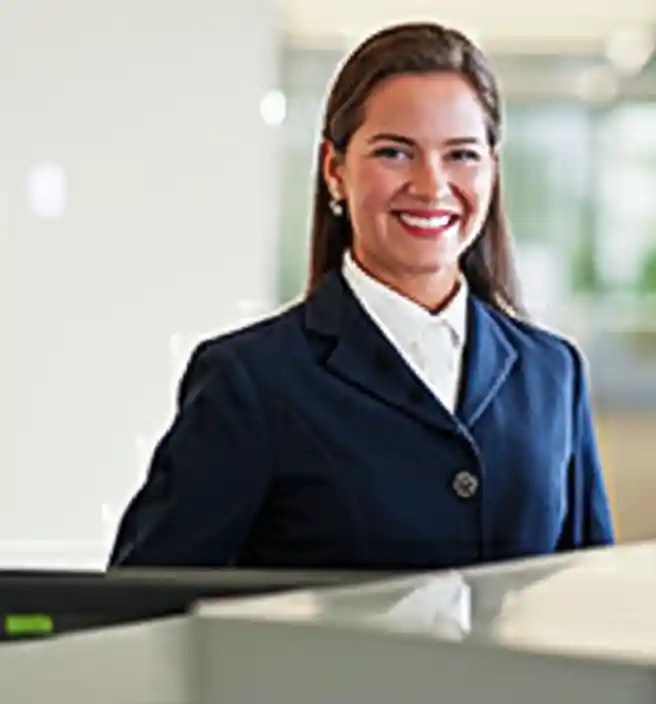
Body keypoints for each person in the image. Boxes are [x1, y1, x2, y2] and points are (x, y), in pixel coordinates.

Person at [109, 22, 614, 569]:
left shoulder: (552, 373)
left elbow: (591, 589)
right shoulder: (250, 380)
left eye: (461, 155)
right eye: (395, 153)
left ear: (493, 170)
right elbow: (149, 598)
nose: (431, 185)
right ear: (335, 171)